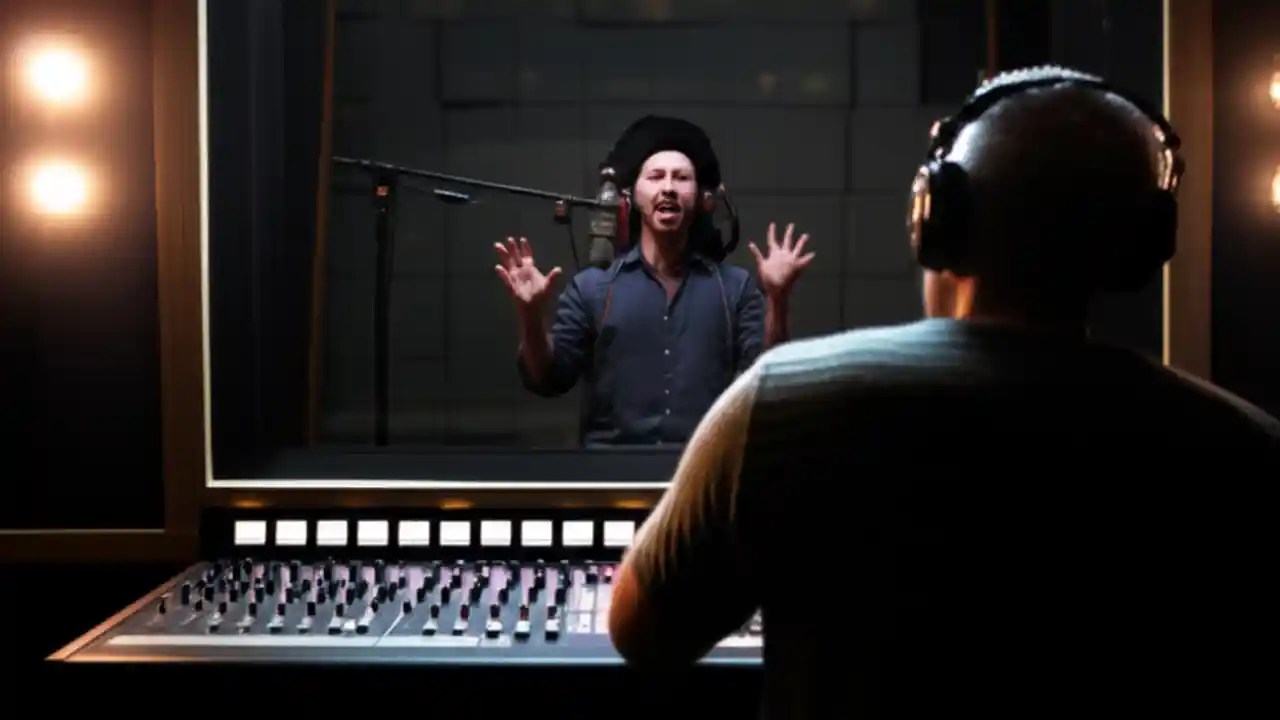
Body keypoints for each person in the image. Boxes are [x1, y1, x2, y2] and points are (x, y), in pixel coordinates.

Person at [609, 66, 1280, 717]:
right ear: (1144, 243)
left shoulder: (785, 399)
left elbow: (642, 633)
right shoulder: (1248, 446)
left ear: (934, 217)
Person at [494, 116, 815, 447]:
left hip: (702, 476)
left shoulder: (734, 288)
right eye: (656, 176)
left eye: (681, 178)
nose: (669, 188)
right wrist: (530, 315)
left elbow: (767, 382)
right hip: (609, 482)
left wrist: (778, 298)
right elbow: (546, 378)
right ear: (631, 197)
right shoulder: (592, 288)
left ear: (703, 199)